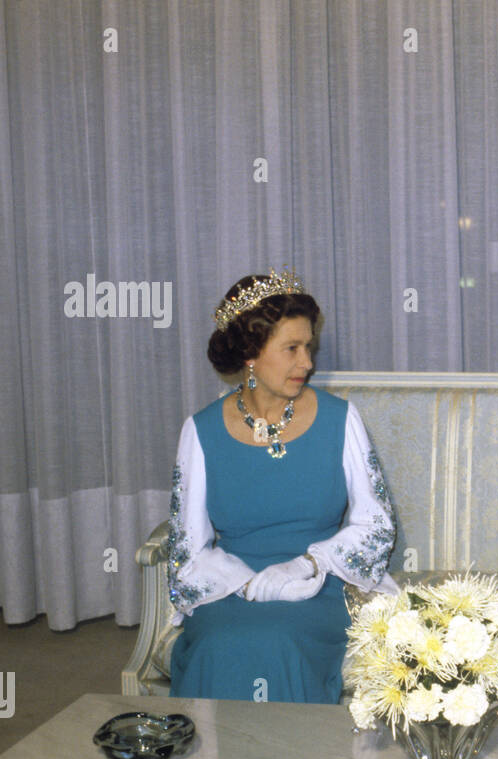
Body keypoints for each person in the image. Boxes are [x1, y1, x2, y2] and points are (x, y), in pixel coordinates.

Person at [165, 270, 399, 704]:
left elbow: (376, 526)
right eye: (291, 348)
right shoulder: (200, 431)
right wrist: (244, 580)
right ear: (251, 354)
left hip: (320, 585)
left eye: (307, 347)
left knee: (280, 642)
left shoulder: (340, 419)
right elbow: (187, 550)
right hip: (230, 590)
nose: (306, 363)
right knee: (221, 645)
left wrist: (307, 565)